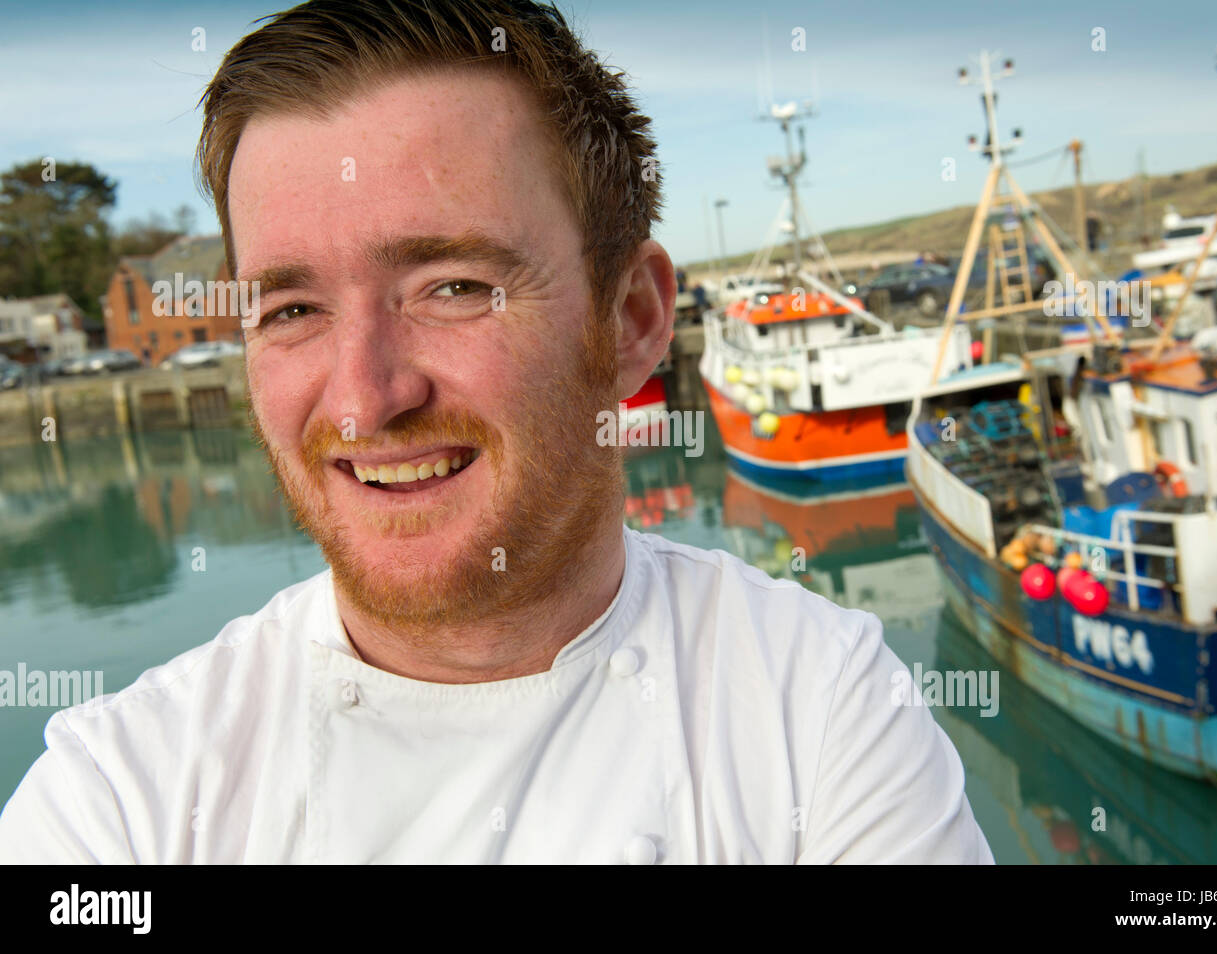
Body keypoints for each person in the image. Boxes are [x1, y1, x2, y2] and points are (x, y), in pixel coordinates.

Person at [0, 0, 993, 864]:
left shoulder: (814, 703)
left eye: (453, 287)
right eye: (292, 309)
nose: (362, 399)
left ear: (633, 319)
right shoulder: (119, 799)